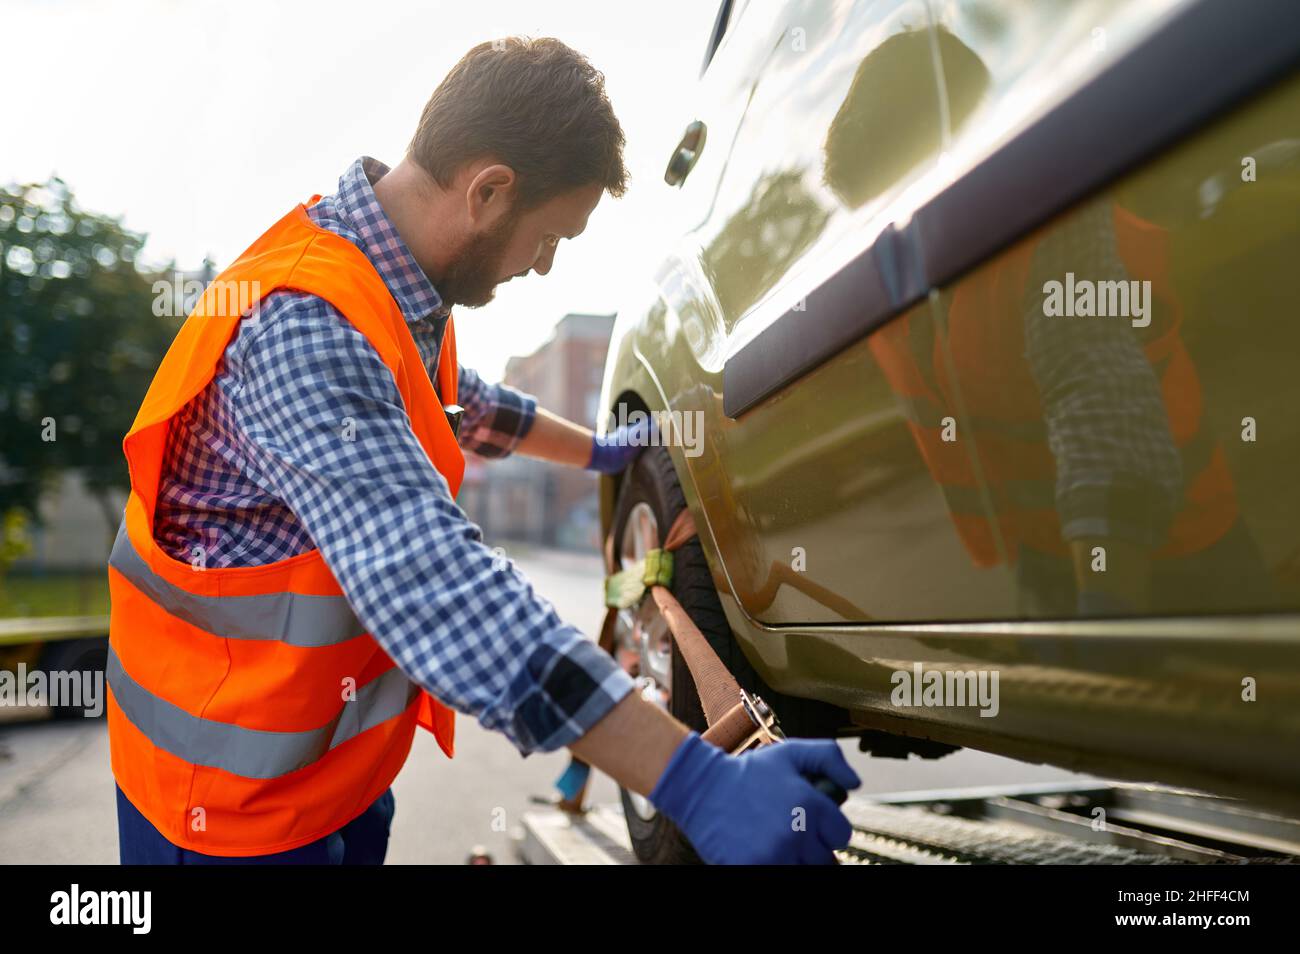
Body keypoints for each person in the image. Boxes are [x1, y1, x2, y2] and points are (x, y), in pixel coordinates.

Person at [109, 36, 858, 866]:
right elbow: (433, 582)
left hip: (329, 777)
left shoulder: (393, 291)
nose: (543, 268)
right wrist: (692, 780)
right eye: (549, 239)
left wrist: (604, 454)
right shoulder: (307, 325)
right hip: (224, 809)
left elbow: (473, 408)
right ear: (489, 190)